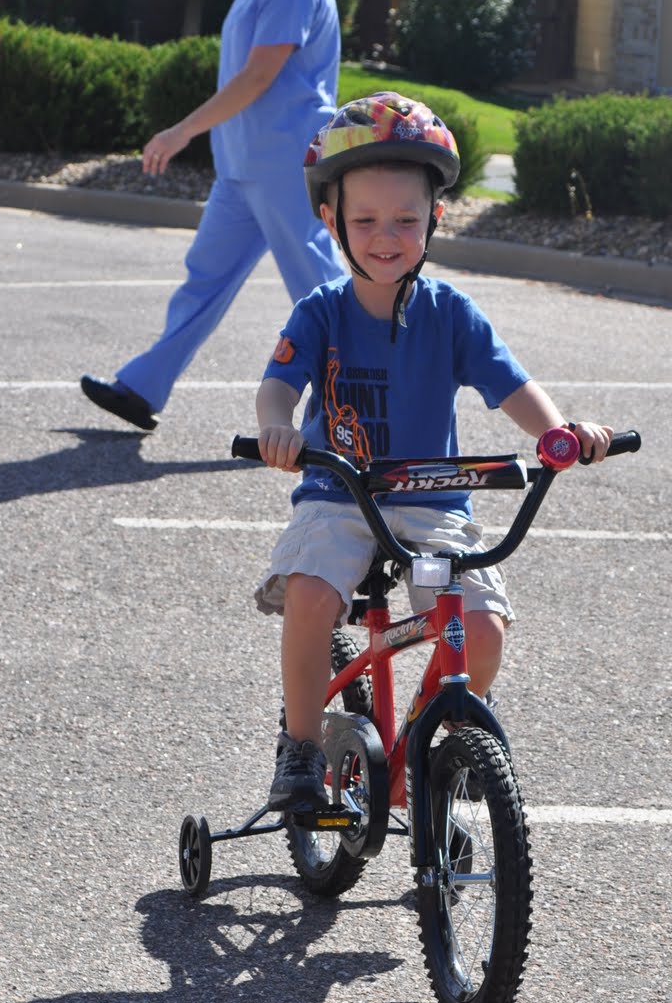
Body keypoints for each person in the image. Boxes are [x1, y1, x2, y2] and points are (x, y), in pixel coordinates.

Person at [252, 91, 614, 813]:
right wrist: (278, 429)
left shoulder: (452, 315)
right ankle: (298, 746)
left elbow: (511, 386)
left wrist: (557, 434)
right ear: (330, 222)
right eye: (365, 220)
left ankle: (423, 737)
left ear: (434, 220)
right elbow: (276, 388)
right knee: (311, 594)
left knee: (479, 631)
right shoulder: (320, 311)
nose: (386, 235)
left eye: (405, 220)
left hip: (433, 500)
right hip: (342, 496)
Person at [80, 0, 344, 432]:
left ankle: (354, 409)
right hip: (243, 166)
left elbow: (257, 78)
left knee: (317, 290)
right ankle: (143, 387)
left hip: (284, 164)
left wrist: (181, 131)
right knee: (205, 278)